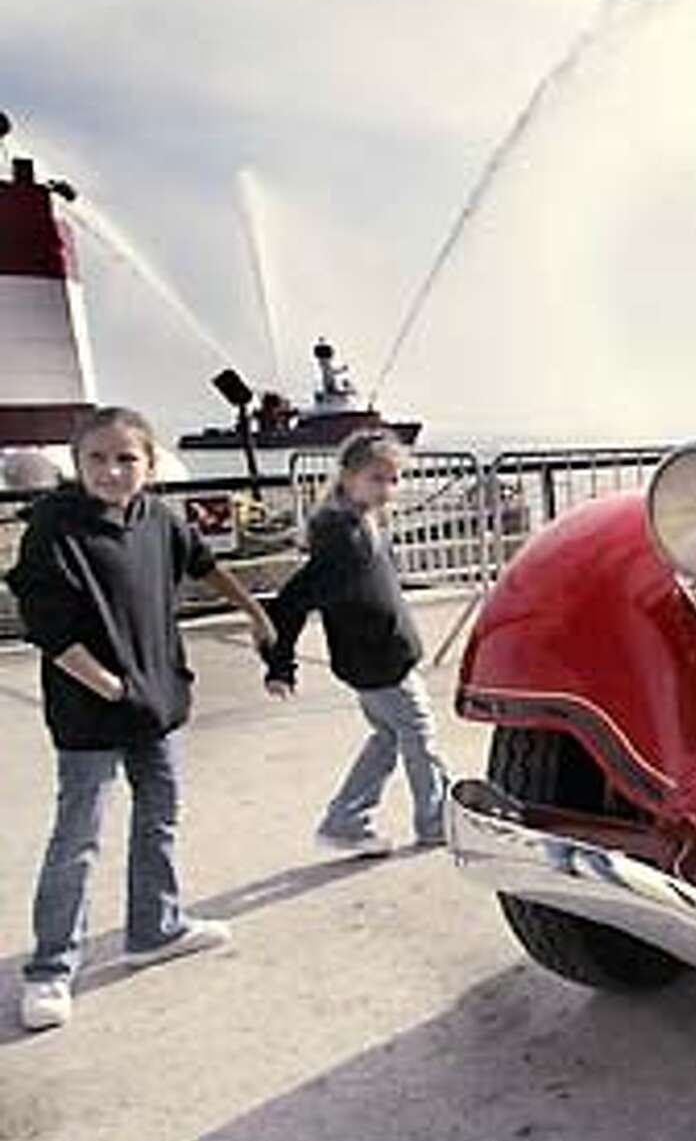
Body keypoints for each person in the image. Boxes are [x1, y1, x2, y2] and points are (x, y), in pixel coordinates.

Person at [4, 406, 277, 1032]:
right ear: (77, 465)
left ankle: (156, 927)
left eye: (126, 458)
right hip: (90, 714)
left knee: (161, 817)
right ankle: (50, 969)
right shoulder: (54, 527)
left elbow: (207, 566)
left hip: (157, 704)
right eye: (96, 458)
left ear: (149, 466)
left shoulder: (159, 518)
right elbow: (47, 626)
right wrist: (111, 687)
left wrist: (258, 617)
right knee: (78, 836)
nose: (111, 470)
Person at [260, 429, 448, 857]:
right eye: (377, 478)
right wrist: (279, 664)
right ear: (347, 477)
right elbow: (290, 603)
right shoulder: (341, 537)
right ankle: (433, 821)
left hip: (379, 657)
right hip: (378, 662)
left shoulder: (362, 521)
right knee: (418, 735)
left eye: (394, 479)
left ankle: (346, 819)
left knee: (388, 736)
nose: (388, 489)